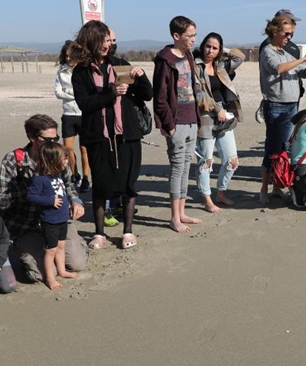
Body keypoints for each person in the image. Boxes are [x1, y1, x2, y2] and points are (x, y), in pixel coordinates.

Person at [74, 20, 152, 246]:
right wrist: (111, 93)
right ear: (91, 41)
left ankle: (128, 231)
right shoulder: (81, 71)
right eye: (103, 40)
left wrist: (141, 76)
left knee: (128, 184)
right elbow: (84, 104)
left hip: (127, 135)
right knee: (101, 185)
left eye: (109, 41)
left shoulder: (120, 64)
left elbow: (147, 94)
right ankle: (99, 233)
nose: (108, 45)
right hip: (98, 138)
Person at [0, 114, 88, 283]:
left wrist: (76, 202)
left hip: (56, 220)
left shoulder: (58, 155)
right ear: (32, 137)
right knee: (42, 274)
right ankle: (22, 252)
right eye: (47, 139)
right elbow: (2, 200)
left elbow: (68, 185)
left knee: (77, 263)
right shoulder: (14, 160)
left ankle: (75, 242)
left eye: (55, 138)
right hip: (26, 225)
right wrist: (34, 190)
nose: (52, 143)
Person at [258, 15, 306, 204]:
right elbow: (278, 68)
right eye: (286, 33)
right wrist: (302, 59)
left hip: (292, 106)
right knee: (273, 149)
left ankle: (277, 187)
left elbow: (302, 74)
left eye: (291, 34)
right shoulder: (268, 51)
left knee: (284, 150)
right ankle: (264, 188)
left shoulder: (285, 53)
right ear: (275, 31)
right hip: (276, 107)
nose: (289, 37)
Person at [154, 16, 205, 232]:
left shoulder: (188, 56)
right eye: (189, 35)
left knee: (186, 167)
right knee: (177, 169)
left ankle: (182, 213)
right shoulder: (165, 60)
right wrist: (169, 124)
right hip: (176, 122)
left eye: (194, 35)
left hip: (192, 118)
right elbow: (160, 97)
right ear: (176, 36)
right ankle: (174, 217)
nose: (194, 39)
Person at [193, 32, 244, 213]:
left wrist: (224, 51)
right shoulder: (195, 66)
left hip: (225, 116)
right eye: (208, 46)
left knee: (232, 160)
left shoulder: (220, 66)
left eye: (215, 48)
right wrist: (217, 109)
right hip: (205, 116)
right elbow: (199, 93)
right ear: (202, 46)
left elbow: (240, 57)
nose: (210, 51)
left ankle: (221, 192)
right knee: (206, 161)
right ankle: (207, 199)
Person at [26, 142, 80, 290]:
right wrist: (50, 201)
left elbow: (62, 192)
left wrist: (69, 205)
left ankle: (62, 271)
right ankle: (50, 278)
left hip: (62, 218)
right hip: (50, 221)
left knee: (61, 246)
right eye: (64, 159)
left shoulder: (58, 176)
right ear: (52, 161)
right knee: (51, 250)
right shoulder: (40, 180)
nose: (67, 162)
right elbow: (31, 196)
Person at [256, 9, 305, 124]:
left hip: (293, 96)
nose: (294, 26)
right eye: (291, 22)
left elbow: (298, 70)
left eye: (294, 23)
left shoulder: (293, 47)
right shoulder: (268, 46)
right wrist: (302, 60)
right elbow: (275, 69)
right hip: (277, 100)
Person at [55, 40, 91, 193]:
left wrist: (69, 92)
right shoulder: (61, 71)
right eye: (66, 55)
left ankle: (86, 178)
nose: (69, 58)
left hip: (84, 113)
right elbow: (58, 93)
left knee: (84, 149)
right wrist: (75, 94)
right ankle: (75, 174)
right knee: (67, 148)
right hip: (68, 114)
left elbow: (86, 92)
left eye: (71, 55)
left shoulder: (84, 70)